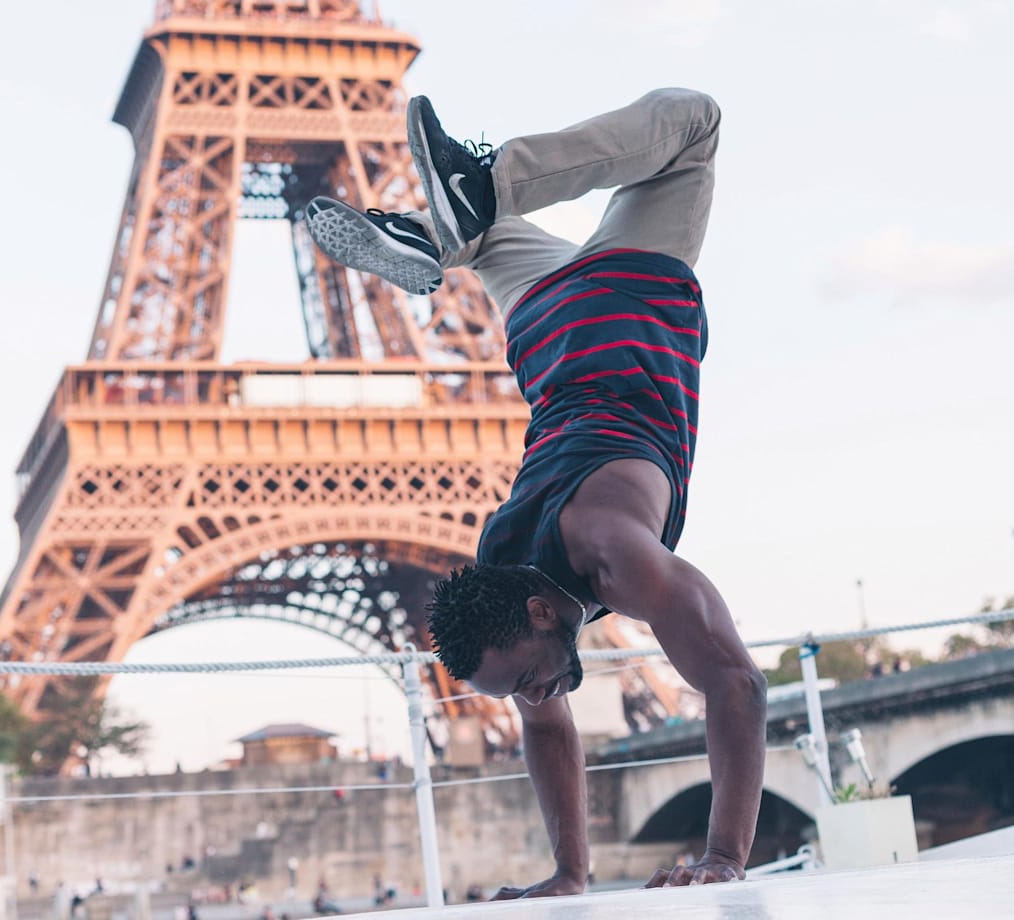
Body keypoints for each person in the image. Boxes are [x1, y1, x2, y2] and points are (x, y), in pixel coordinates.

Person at [307, 89, 766, 896]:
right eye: (518, 689)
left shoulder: (616, 553)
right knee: (476, 234)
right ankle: (439, 231)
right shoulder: (499, 575)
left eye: (526, 681)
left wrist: (724, 857)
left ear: (540, 613)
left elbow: (738, 684)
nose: (538, 695)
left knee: (696, 121)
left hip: (618, 310)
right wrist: (569, 875)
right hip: (540, 326)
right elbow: (547, 731)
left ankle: (486, 187)